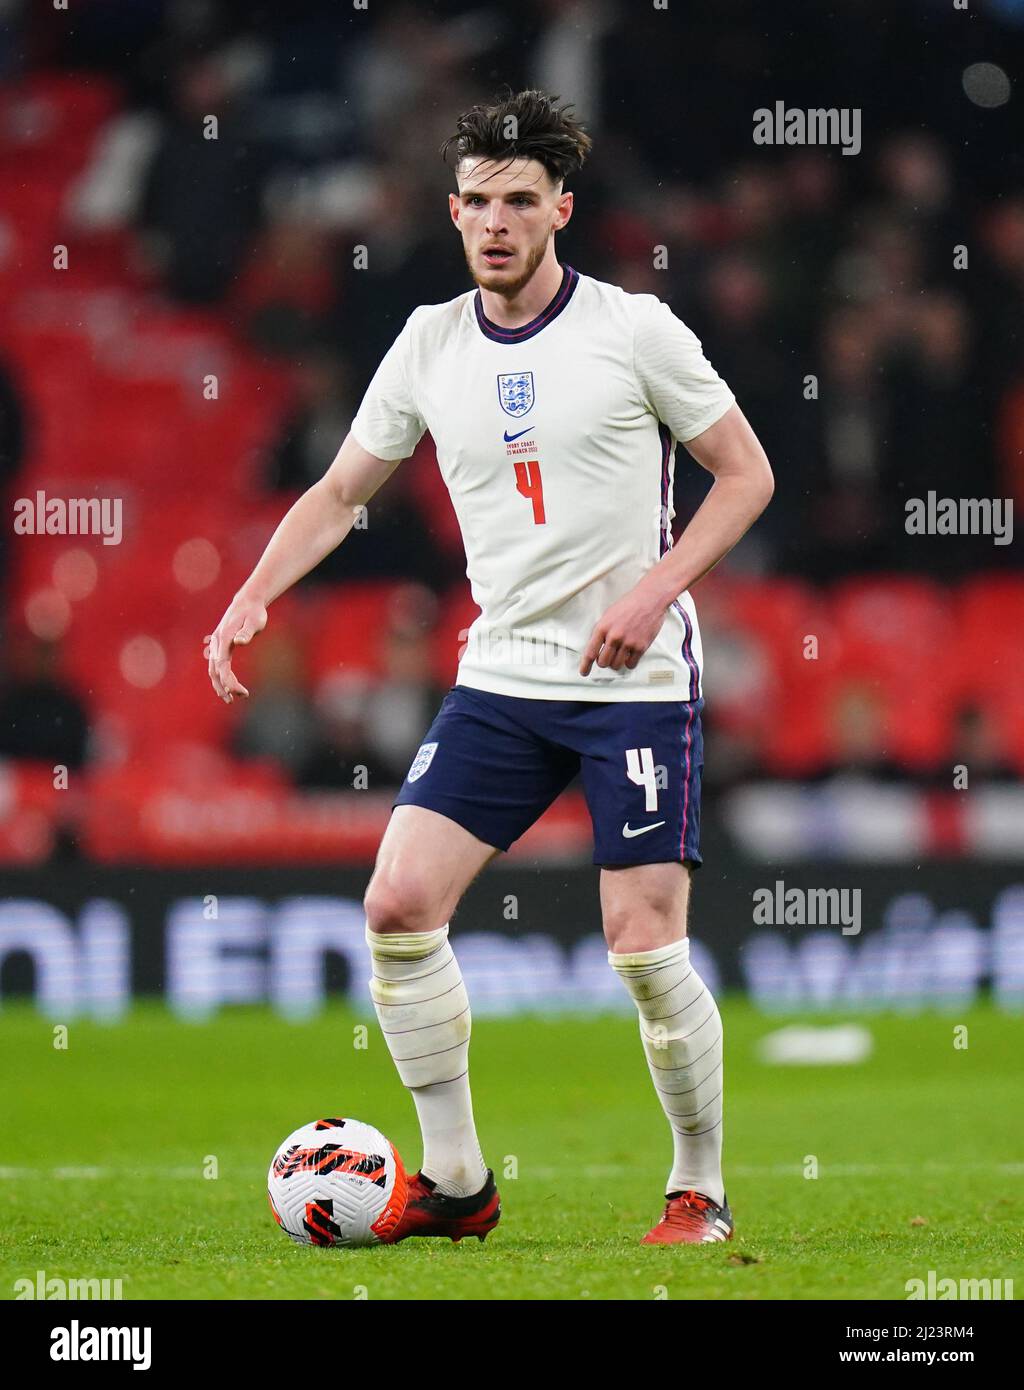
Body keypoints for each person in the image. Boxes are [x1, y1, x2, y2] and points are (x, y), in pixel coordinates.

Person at [204, 90, 773, 1246]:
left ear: (562, 208)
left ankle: (698, 1188)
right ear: (453, 211)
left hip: (631, 681)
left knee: (642, 943)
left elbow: (746, 474)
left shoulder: (634, 330)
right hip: (503, 677)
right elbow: (340, 491)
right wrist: (254, 591)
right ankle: (459, 1184)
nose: (497, 221)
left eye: (520, 200)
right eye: (478, 202)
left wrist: (653, 591)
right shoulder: (429, 342)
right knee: (397, 904)